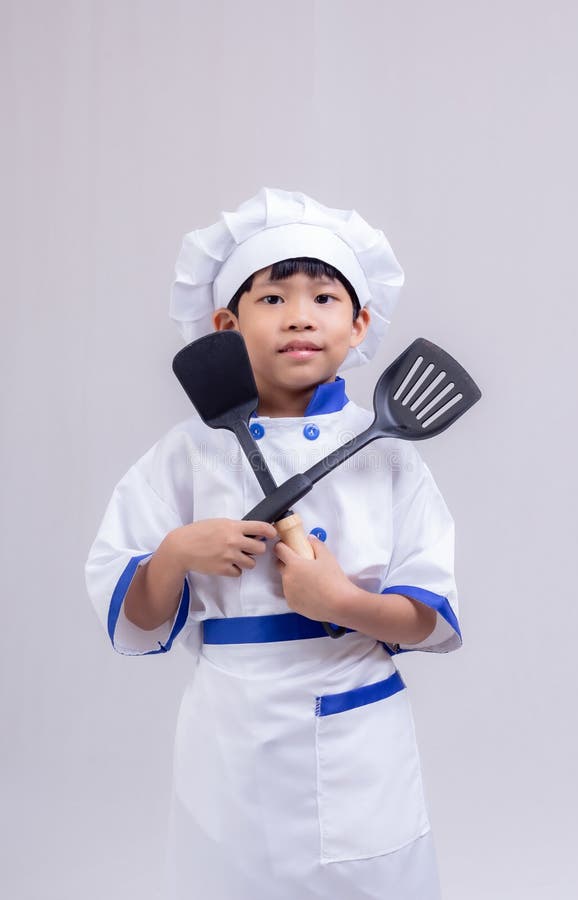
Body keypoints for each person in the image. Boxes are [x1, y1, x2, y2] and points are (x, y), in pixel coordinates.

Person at [85, 187, 462, 900]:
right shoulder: (189, 453)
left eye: (324, 298)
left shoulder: (388, 454)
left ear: (359, 323)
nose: (300, 316)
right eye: (272, 298)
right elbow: (136, 615)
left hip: (355, 715)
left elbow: (428, 617)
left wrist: (342, 601)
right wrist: (175, 554)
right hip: (230, 729)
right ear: (226, 326)